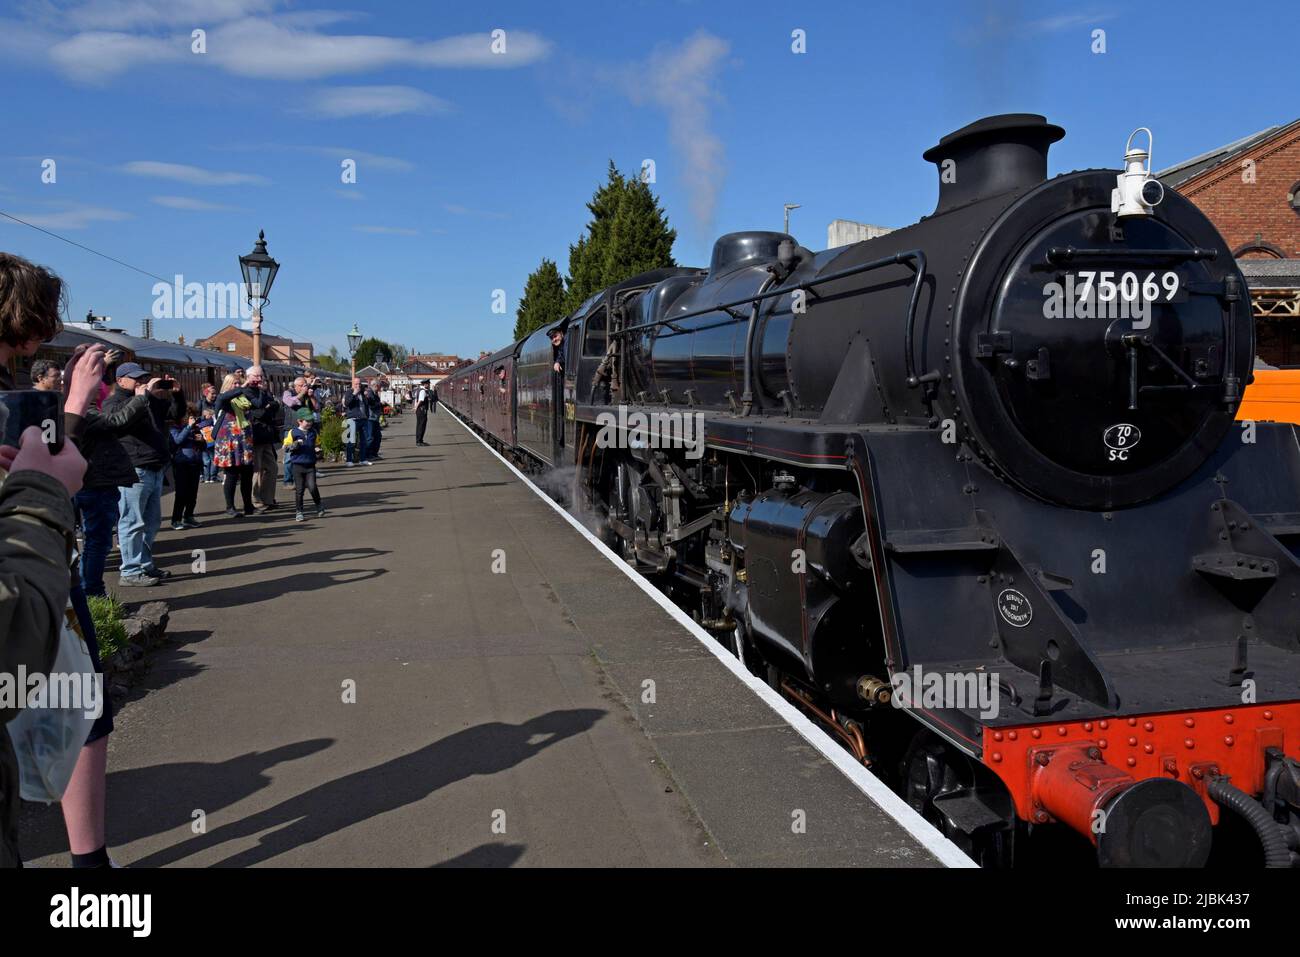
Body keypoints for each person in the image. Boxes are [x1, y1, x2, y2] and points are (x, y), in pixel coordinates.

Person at [101, 363, 173, 587]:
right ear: (121, 380)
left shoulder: (145, 398)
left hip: (154, 466)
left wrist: (174, 395)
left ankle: (144, 563)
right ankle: (130, 571)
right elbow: (118, 423)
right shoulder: (113, 402)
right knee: (132, 521)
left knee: (151, 522)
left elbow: (173, 414)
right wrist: (142, 398)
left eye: (144, 378)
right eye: (136, 379)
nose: (141, 382)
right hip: (135, 468)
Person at [212, 372, 255, 517]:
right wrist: (242, 387)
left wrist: (256, 387)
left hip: (244, 440)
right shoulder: (222, 399)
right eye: (234, 383)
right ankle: (230, 507)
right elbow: (224, 398)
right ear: (228, 384)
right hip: (228, 441)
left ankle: (248, 505)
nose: (237, 386)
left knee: (247, 475)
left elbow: (259, 403)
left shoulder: (243, 398)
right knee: (231, 475)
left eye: (239, 383)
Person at [242, 366, 281, 510]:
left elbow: (276, 405)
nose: (260, 379)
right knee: (257, 470)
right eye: (257, 376)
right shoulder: (246, 391)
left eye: (261, 376)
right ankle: (256, 500)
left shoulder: (263, 391)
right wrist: (265, 403)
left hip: (267, 434)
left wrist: (267, 404)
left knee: (273, 467)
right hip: (255, 435)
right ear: (249, 377)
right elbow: (258, 410)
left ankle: (268, 497)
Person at [168, 403, 204, 530]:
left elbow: (203, 446)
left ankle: (189, 516)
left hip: (195, 462)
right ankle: (176, 519)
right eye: (188, 415)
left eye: (192, 415)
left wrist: (201, 440)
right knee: (181, 493)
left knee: (192, 493)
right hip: (181, 463)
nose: (191, 418)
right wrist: (188, 427)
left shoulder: (194, 428)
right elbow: (177, 440)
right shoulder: (174, 427)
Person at [287, 408, 325, 522]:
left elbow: (317, 443)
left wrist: (318, 450)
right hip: (297, 466)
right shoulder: (293, 432)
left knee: (312, 487)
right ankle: (299, 511)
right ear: (299, 421)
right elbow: (286, 447)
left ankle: (319, 505)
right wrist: (293, 445)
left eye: (311, 421)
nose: (310, 423)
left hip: (310, 465)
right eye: (307, 421)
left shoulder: (313, 432)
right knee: (299, 490)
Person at [281, 377, 317, 486]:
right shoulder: (288, 393)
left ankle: (302, 479)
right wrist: (302, 393)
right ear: (295, 386)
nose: (303, 387)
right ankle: (288, 481)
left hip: (305, 428)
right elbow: (290, 403)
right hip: (291, 428)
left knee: (305, 452)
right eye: (301, 385)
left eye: (304, 385)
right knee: (289, 457)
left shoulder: (307, 395)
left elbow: (316, 407)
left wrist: (311, 396)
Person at [344, 376, 371, 467]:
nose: (358, 385)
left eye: (359, 384)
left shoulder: (362, 393)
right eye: (356, 384)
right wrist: (354, 394)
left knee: (364, 440)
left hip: (363, 419)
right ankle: (349, 460)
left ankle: (363, 459)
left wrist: (367, 397)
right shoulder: (349, 392)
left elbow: (366, 405)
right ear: (352, 384)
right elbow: (347, 404)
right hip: (353, 419)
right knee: (351, 441)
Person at [198, 382, 219, 483]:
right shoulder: (200, 404)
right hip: (202, 434)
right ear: (206, 393)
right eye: (212, 394)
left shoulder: (216, 404)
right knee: (205, 456)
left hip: (214, 433)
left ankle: (213, 476)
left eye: (215, 394)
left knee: (214, 456)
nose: (215, 395)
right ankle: (205, 476)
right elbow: (194, 417)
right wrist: (203, 417)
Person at [365, 378, 383, 460]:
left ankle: (374, 454)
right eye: (379, 386)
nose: (380, 388)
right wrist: (380, 404)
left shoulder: (374, 393)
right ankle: (369, 455)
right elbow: (371, 405)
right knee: (370, 437)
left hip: (375, 418)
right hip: (370, 418)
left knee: (377, 436)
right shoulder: (370, 393)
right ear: (375, 386)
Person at [414, 381, 431, 446]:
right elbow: (420, 400)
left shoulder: (418, 390)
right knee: (422, 425)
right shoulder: (423, 391)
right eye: (428, 384)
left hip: (419, 410)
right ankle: (419, 441)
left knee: (419, 425)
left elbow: (416, 400)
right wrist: (416, 407)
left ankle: (419, 440)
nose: (429, 385)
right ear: (425, 384)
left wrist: (415, 407)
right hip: (422, 410)